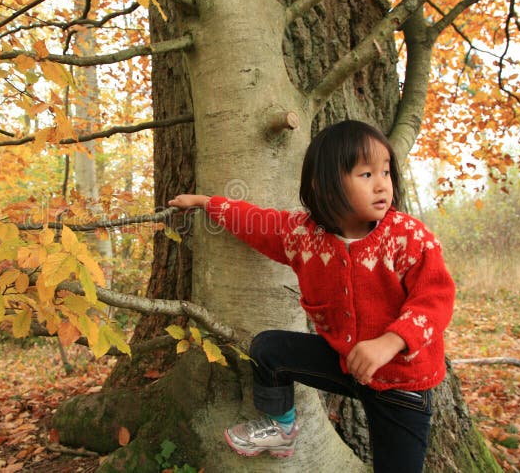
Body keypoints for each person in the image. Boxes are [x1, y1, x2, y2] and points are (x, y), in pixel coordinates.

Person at [168, 120, 455, 473]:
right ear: (326, 186)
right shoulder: (304, 236)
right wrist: (204, 202)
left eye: (385, 172)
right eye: (366, 175)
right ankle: (282, 427)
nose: (382, 184)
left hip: (402, 386)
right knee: (268, 349)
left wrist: (391, 342)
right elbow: (257, 222)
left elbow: (436, 299)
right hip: (345, 365)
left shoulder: (407, 236)